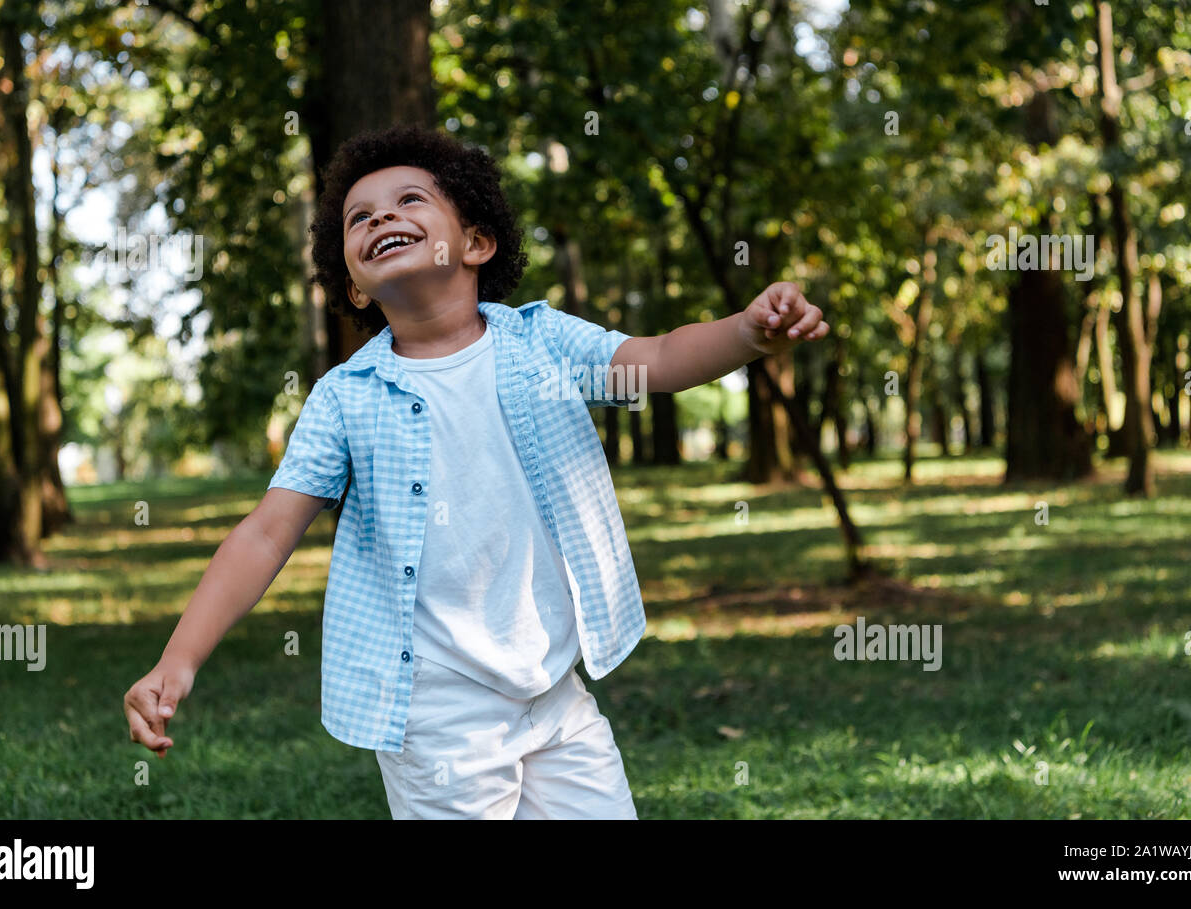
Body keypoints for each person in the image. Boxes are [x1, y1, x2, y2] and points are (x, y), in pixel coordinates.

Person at [123, 124, 829, 819]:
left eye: (409, 201)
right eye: (359, 217)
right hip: (437, 712)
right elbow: (266, 535)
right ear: (356, 286)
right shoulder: (346, 396)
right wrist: (178, 657)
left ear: (476, 242)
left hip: (553, 689)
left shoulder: (541, 341)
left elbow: (662, 359)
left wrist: (745, 332)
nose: (382, 218)